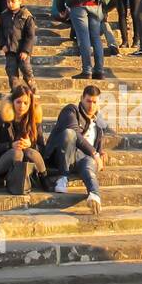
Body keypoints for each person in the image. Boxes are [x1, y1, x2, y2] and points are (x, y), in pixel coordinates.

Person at [0, 84, 46, 196]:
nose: (22, 106)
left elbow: (43, 149)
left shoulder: (34, 120)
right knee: (16, 153)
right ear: (12, 102)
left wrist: (31, 144)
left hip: (26, 164)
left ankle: (44, 179)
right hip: (2, 161)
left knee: (30, 152)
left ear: (30, 105)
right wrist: (10, 145)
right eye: (18, 102)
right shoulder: (0, 118)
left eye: (26, 103)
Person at [44, 85, 105, 216]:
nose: (91, 105)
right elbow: (75, 134)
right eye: (88, 101)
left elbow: (99, 142)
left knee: (88, 166)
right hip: (62, 155)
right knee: (69, 134)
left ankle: (94, 195)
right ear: (82, 98)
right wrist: (95, 153)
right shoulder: (71, 110)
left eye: (95, 102)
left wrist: (101, 154)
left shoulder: (98, 120)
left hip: (83, 159)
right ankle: (63, 177)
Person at [0, 0, 37, 90]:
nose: (10, 4)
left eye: (13, 1)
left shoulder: (26, 16)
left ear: (20, 1)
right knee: (11, 72)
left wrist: (26, 50)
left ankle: (32, 88)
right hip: (10, 49)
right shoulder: (4, 16)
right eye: (8, 1)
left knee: (26, 69)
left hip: (22, 50)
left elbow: (30, 35)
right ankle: (15, 92)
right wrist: (2, 45)